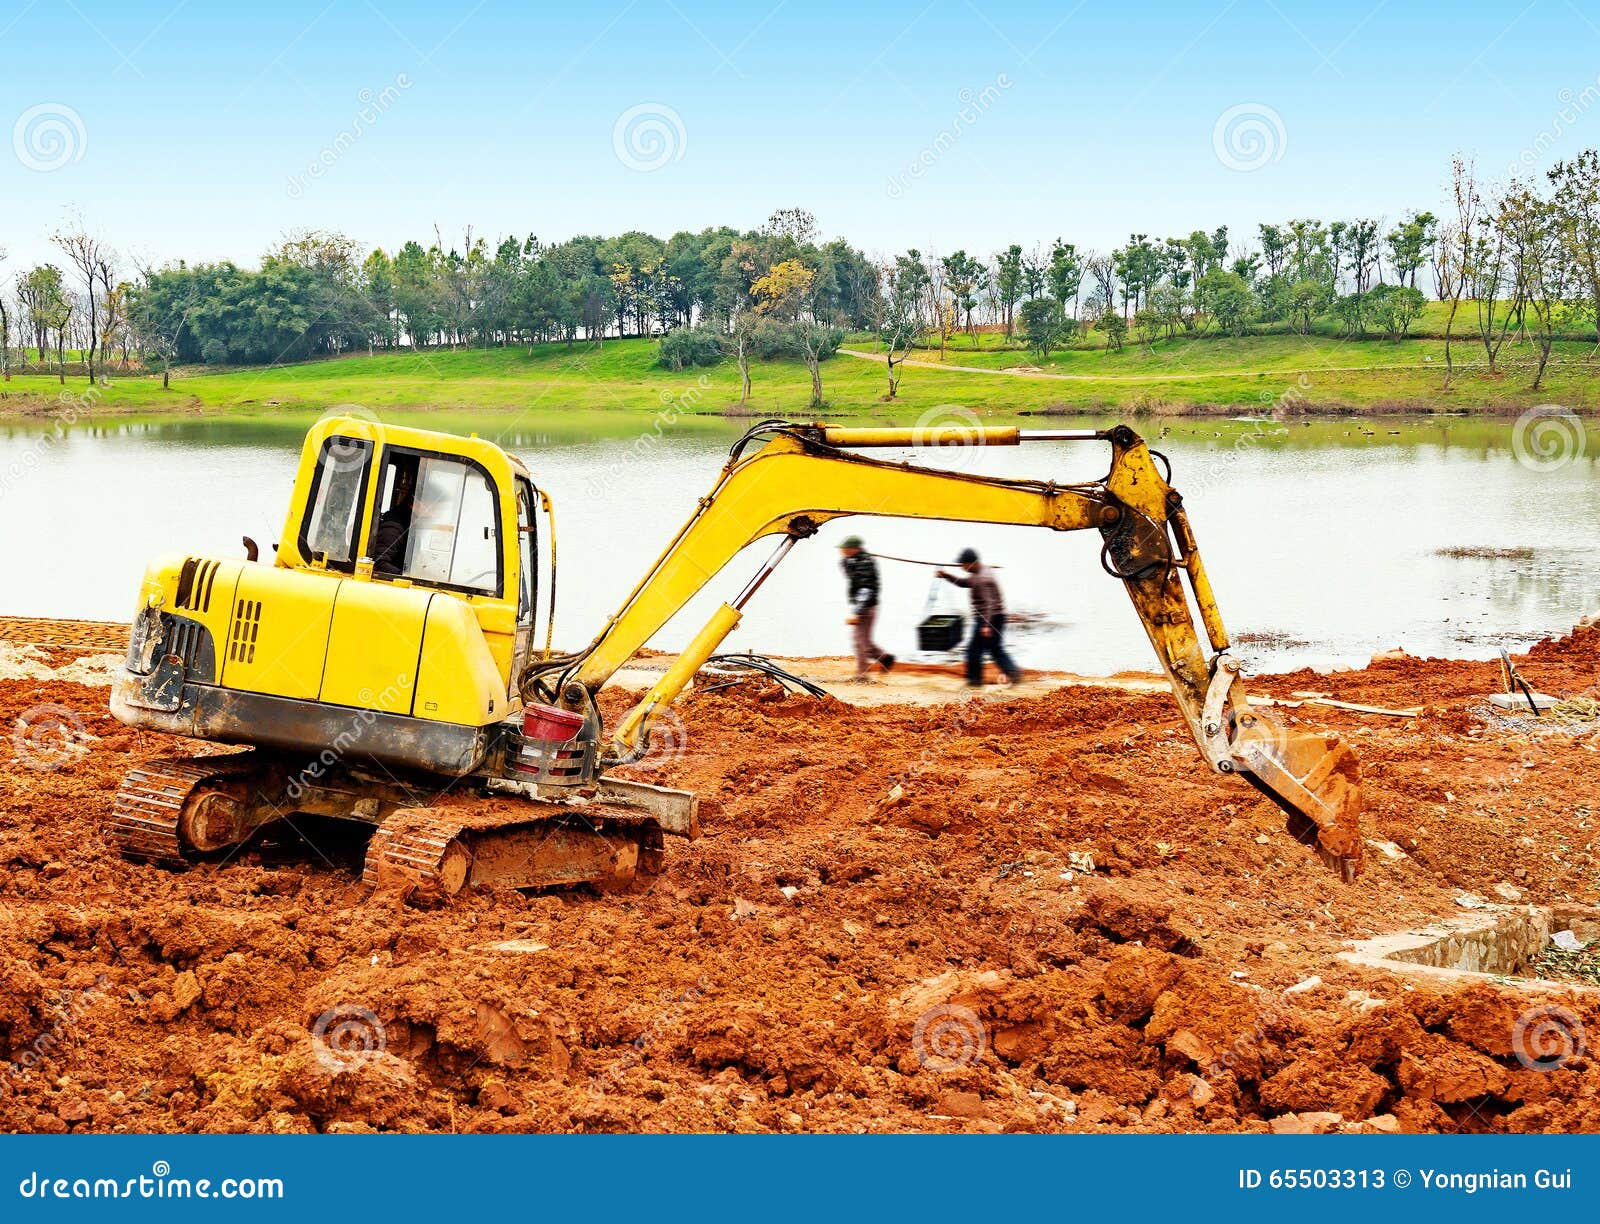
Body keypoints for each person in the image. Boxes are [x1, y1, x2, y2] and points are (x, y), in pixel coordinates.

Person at [937, 547, 1021, 687]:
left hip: (989, 618)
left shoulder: (981, 579)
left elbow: (988, 603)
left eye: (963, 565)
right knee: (995, 649)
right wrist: (946, 575)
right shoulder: (982, 571)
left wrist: (986, 626)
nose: (962, 568)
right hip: (998, 616)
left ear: (972, 563)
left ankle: (974, 682)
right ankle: (1014, 674)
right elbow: (964, 583)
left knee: (973, 651)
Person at [838, 535, 895, 682]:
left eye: (844, 548)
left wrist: (857, 612)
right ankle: (885, 658)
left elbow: (866, 589)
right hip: (866, 605)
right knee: (865, 641)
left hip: (866, 606)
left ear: (854, 548)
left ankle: (862, 675)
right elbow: (849, 574)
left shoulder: (865, 562)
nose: (841, 551)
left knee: (859, 641)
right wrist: (847, 560)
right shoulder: (856, 560)